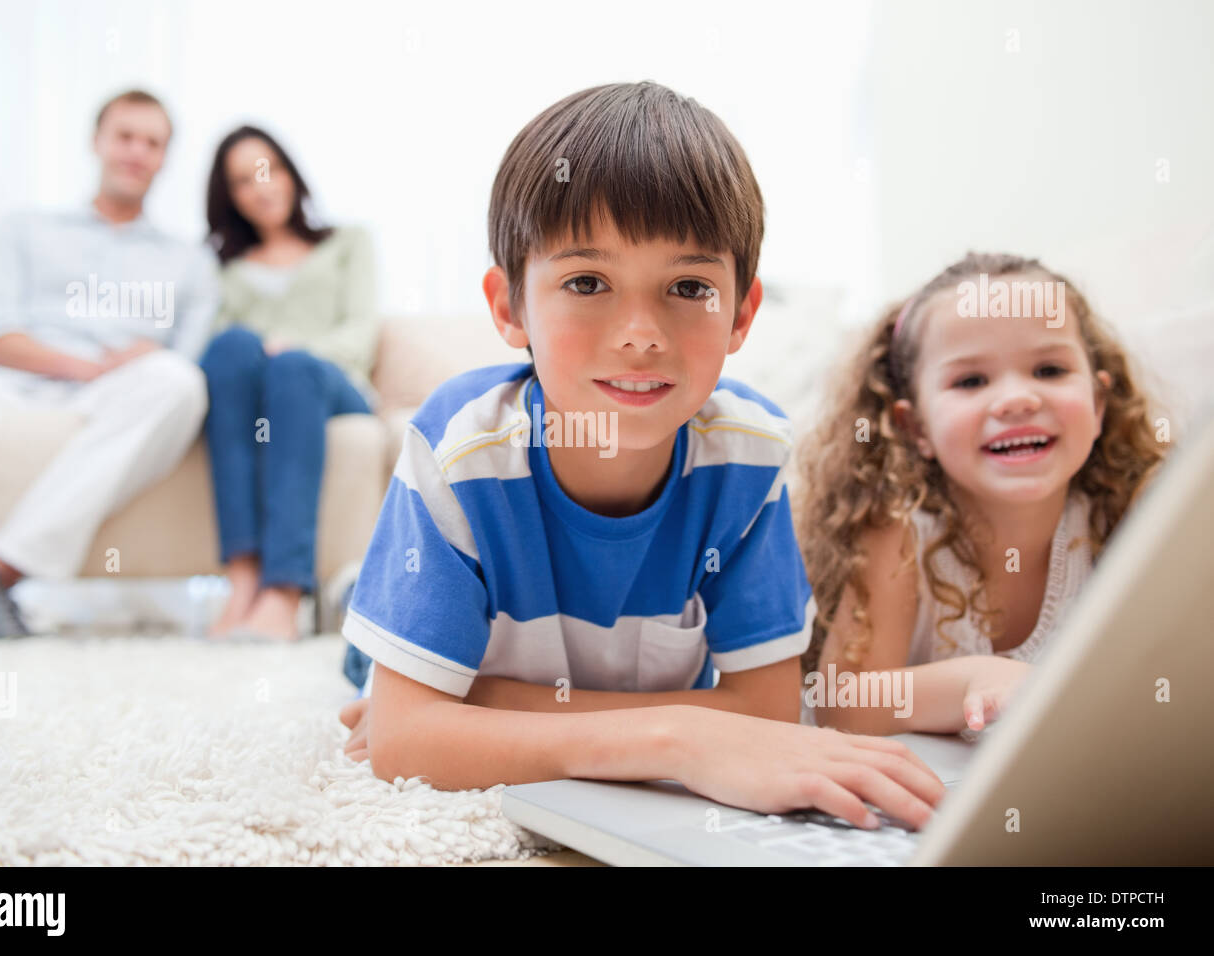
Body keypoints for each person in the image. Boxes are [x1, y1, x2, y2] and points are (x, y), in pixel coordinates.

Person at [337, 82, 945, 830]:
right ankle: (356, 602)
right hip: (447, 621)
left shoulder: (749, 458)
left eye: (688, 286)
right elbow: (405, 742)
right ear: (508, 308)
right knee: (389, 660)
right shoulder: (463, 450)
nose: (639, 334)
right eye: (587, 282)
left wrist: (480, 704)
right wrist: (682, 736)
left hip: (504, 675)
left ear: (741, 314)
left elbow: (766, 710)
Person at [796, 252, 1166, 734]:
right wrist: (979, 679)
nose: (1017, 399)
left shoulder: (1126, 515)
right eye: (971, 380)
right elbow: (844, 704)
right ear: (915, 426)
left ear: (1098, 404)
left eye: (1049, 370)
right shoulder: (898, 531)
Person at [0, 89, 216, 650]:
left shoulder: (191, 262)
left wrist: (144, 361)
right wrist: (81, 366)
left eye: (152, 143)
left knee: (179, 384)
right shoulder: (25, 228)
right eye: (125, 136)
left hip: (116, 404)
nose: (136, 151)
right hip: (10, 386)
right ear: (97, 142)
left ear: (164, 158)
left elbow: (186, 359)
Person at [199, 126, 379, 641]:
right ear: (230, 197)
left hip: (332, 386)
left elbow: (360, 334)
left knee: (291, 367)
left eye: (269, 169)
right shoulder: (225, 270)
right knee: (231, 347)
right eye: (242, 181)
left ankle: (284, 592)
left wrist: (296, 348)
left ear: (290, 174)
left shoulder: (348, 243)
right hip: (259, 398)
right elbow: (219, 359)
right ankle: (244, 579)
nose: (261, 187)